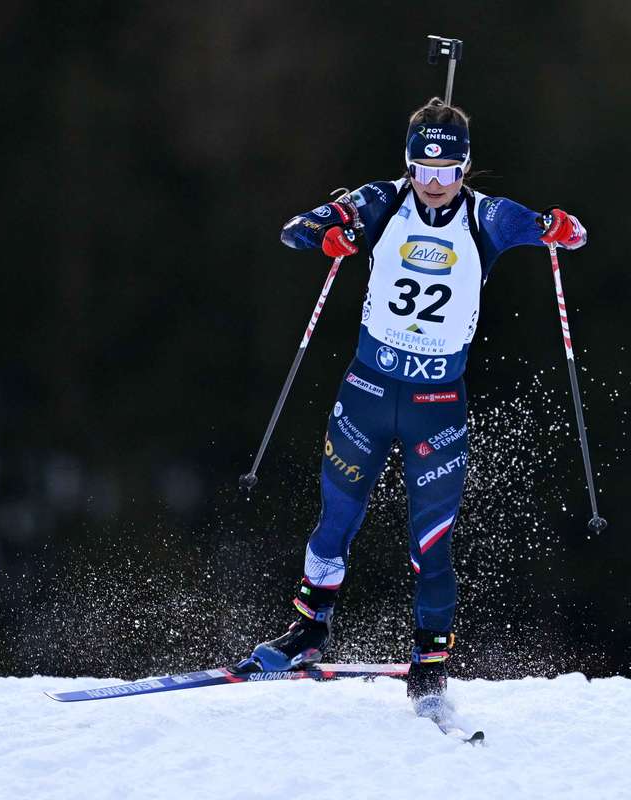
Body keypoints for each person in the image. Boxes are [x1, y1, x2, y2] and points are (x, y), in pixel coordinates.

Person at [236, 97, 587, 705]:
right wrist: (332, 237)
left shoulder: (489, 218)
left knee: (431, 540)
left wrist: (558, 227)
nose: (432, 184)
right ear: (408, 164)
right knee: (335, 520)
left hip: (437, 400)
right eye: (422, 170)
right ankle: (309, 629)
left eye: (446, 172)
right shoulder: (382, 201)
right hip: (369, 390)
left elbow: (571, 235)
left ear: (464, 168)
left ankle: (430, 658)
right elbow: (298, 229)